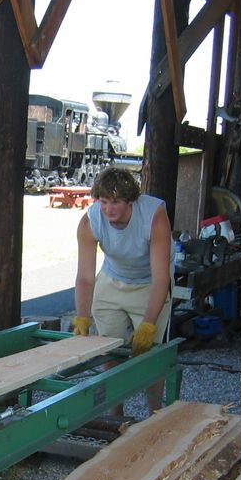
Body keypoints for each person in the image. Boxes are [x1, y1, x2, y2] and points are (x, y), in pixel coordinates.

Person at [73, 166, 172, 412]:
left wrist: (149, 324)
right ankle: (115, 416)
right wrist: (82, 318)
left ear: (130, 201)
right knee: (110, 350)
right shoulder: (90, 220)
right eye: (104, 201)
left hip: (148, 283)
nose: (108, 209)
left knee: (150, 357)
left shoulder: (154, 216)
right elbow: (85, 277)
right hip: (112, 279)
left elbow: (161, 279)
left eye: (115, 202)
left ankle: (156, 413)